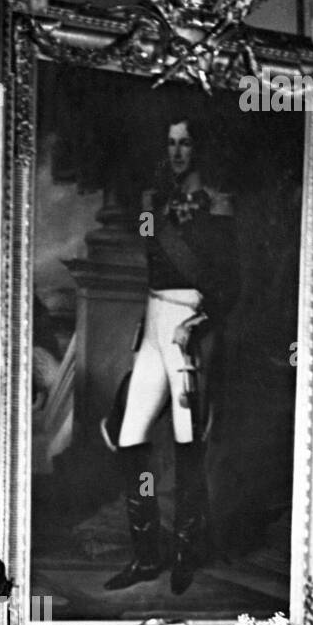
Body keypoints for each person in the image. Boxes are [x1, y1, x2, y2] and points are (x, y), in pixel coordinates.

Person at [101, 116, 239, 596]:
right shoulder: (156, 202)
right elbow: (148, 250)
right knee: (131, 437)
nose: (177, 152)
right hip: (154, 323)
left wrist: (194, 326)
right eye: (171, 143)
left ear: (199, 149)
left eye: (185, 143)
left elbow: (227, 283)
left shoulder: (218, 205)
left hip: (187, 328)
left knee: (187, 445)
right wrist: (148, 211)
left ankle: (185, 552)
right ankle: (145, 555)